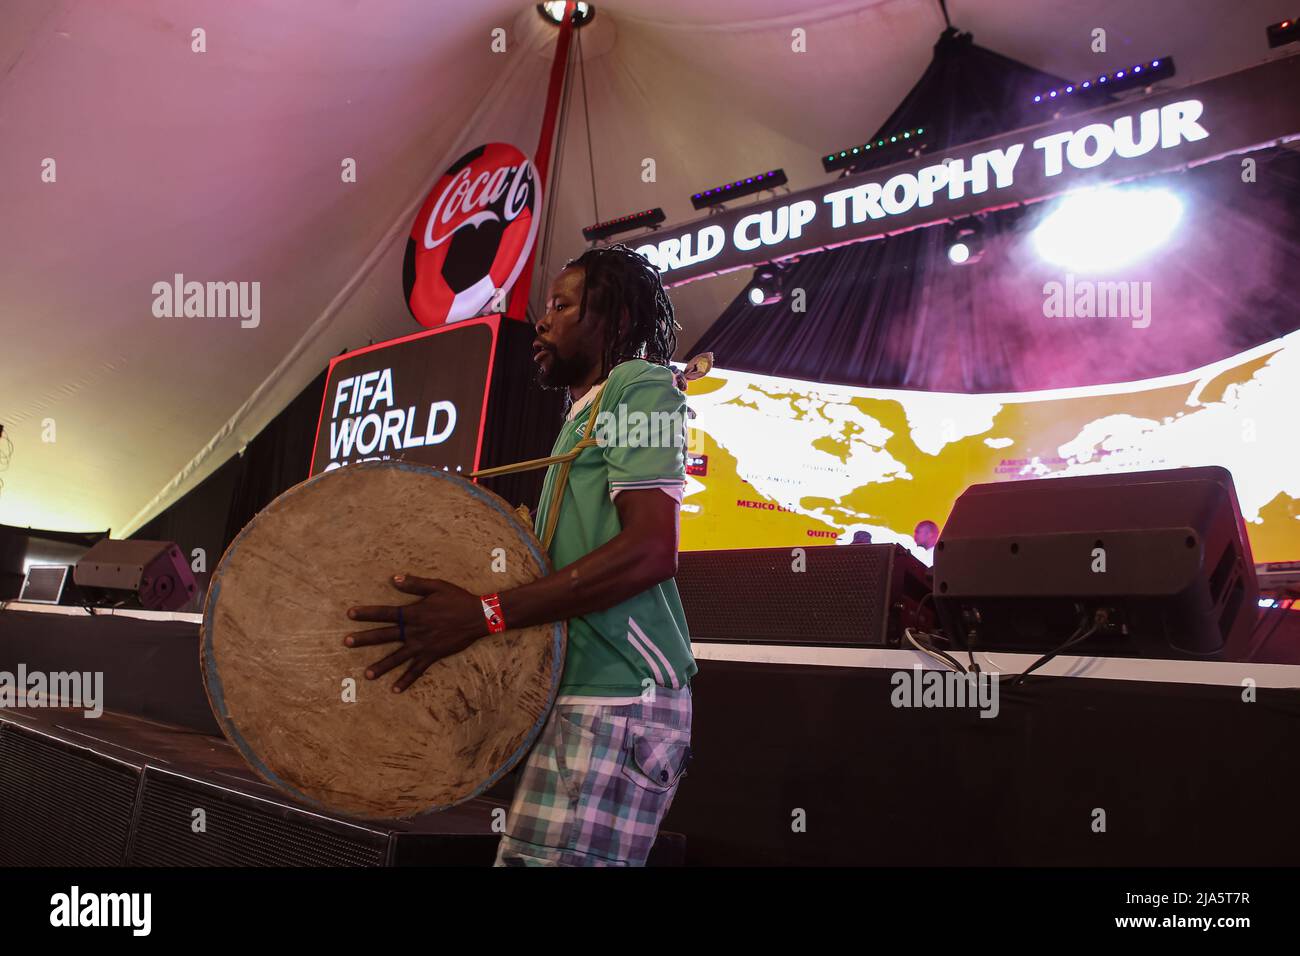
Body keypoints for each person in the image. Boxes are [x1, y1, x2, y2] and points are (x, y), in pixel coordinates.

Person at [343, 244, 695, 866]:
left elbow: (649, 551)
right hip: (582, 695)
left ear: (611, 320)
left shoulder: (640, 387)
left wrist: (484, 614)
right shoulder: (580, 413)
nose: (542, 319)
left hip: (617, 695)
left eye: (562, 305)